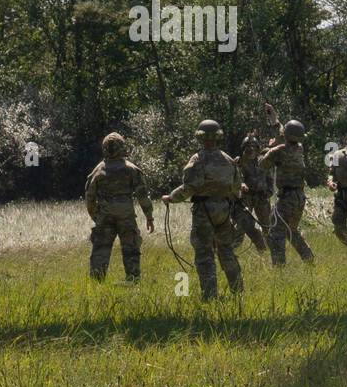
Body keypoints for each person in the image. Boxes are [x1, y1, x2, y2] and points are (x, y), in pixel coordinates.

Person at [162, 120, 243, 299]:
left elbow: (189, 187)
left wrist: (171, 198)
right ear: (218, 137)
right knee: (226, 250)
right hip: (224, 210)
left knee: (204, 253)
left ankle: (209, 296)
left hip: (204, 211)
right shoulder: (228, 159)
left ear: (200, 137)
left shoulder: (198, 159)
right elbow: (236, 187)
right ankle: (238, 291)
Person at [85, 132, 155, 282]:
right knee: (131, 250)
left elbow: (89, 197)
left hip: (104, 217)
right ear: (122, 148)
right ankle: (133, 280)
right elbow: (142, 195)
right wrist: (149, 217)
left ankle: (97, 283)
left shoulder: (98, 171)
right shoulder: (131, 169)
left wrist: (95, 216)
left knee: (100, 252)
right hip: (126, 216)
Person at [258, 119, 315, 266]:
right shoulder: (300, 148)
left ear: (286, 135)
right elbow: (287, 137)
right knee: (291, 231)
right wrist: (276, 122)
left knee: (276, 233)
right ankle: (308, 258)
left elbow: (263, 165)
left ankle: (279, 267)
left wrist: (268, 148)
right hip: (299, 197)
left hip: (286, 198)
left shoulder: (279, 151)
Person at [233, 132, 270, 253]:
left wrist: (269, 192)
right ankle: (232, 250)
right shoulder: (238, 162)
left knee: (267, 226)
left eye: (254, 146)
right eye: (248, 146)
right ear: (244, 148)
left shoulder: (262, 161)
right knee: (242, 225)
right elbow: (236, 177)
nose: (251, 149)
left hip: (262, 198)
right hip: (245, 198)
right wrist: (241, 185)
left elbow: (270, 178)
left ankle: (270, 251)